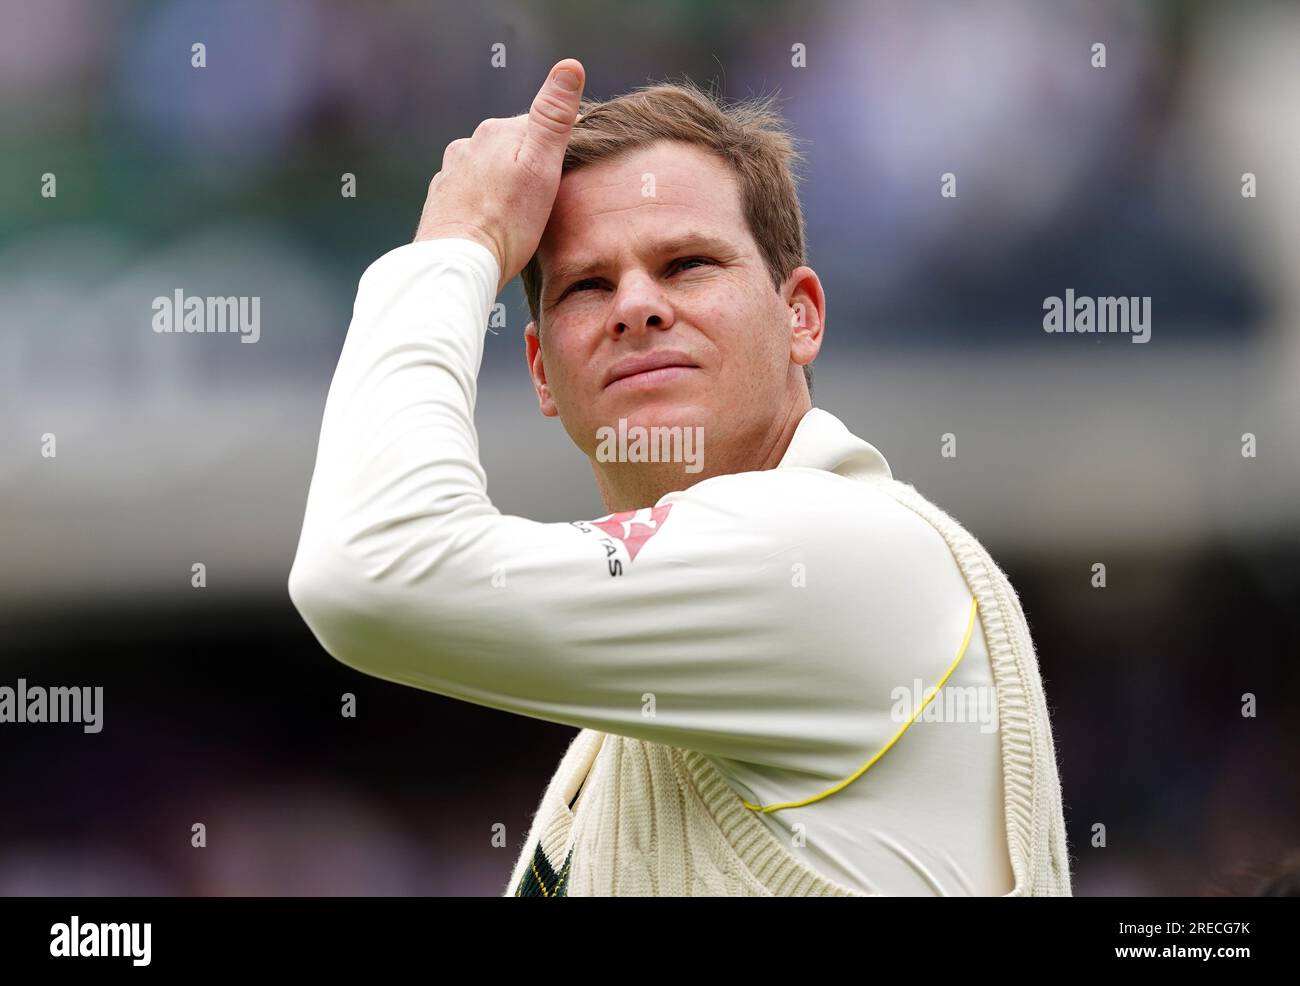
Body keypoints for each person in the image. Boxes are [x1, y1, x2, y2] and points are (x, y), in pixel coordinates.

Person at [287, 58, 1072, 896]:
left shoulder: (839, 548)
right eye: (588, 285)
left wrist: (460, 239)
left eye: (689, 265)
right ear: (541, 373)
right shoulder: (637, 717)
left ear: (799, 314)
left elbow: (369, 571)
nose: (636, 304)